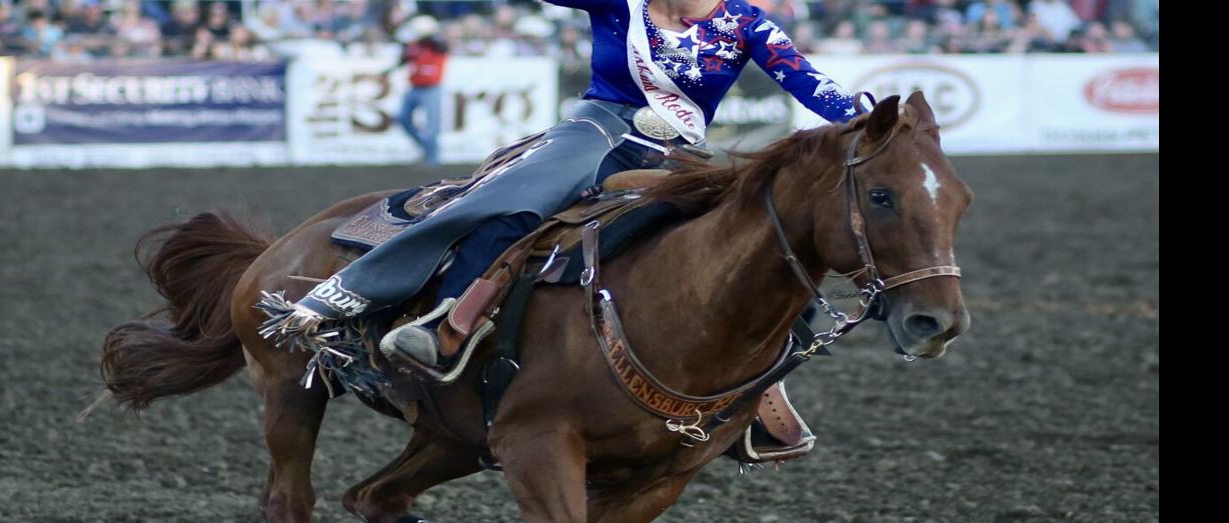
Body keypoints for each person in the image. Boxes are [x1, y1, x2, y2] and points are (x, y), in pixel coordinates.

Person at [266, 0, 861, 388]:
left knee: (749, 241)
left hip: (677, 151)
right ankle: (436, 319)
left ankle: (758, 388)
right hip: (597, 128)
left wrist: (864, 117)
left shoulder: (746, 23)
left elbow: (806, 79)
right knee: (516, 200)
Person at [391, 16, 449, 166]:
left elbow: (441, 45)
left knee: (432, 125)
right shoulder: (415, 46)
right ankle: (426, 148)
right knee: (403, 118)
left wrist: (424, 35)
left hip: (431, 88)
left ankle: (433, 158)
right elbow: (403, 60)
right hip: (415, 87)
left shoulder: (436, 45)